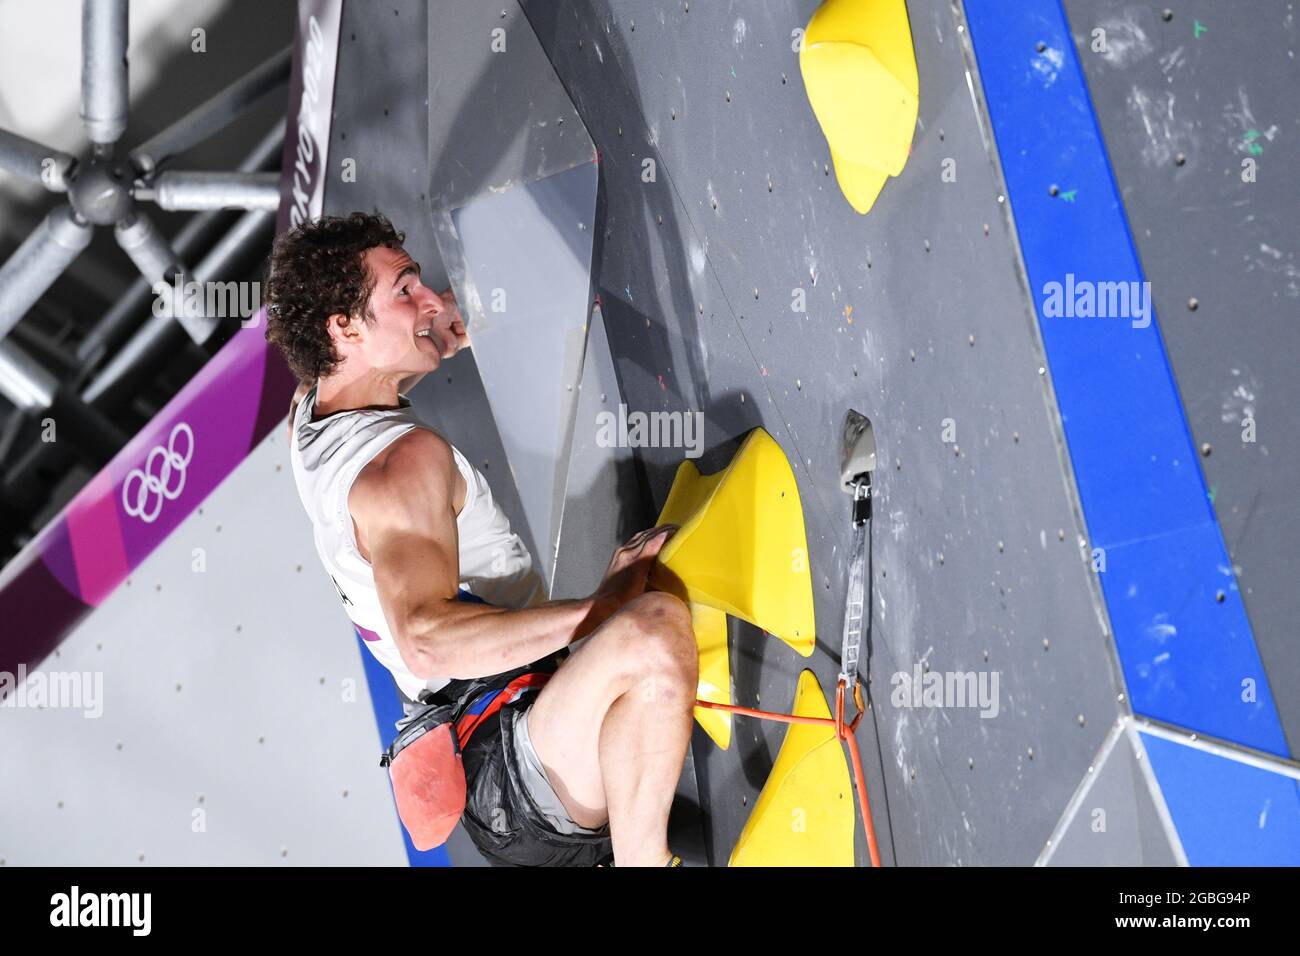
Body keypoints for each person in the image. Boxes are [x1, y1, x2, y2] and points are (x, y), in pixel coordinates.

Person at [265, 211, 696, 867]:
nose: (430, 298)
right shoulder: (400, 468)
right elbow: (427, 639)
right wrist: (597, 611)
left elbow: (367, 374)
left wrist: (430, 334)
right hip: (514, 761)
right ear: (344, 329)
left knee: (637, 631)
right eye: (405, 289)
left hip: (486, 753)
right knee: (650, 628)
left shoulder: (311, 415)